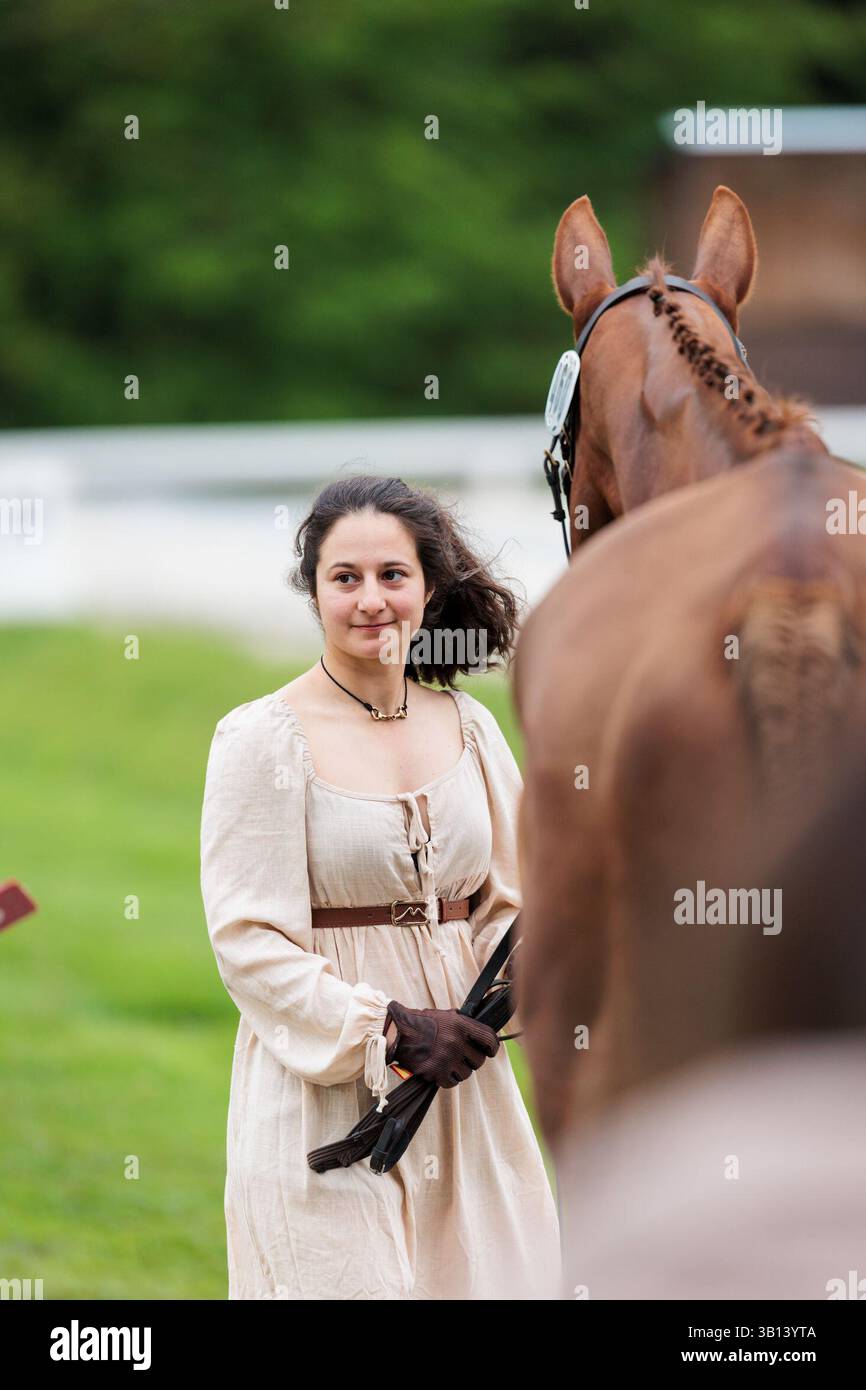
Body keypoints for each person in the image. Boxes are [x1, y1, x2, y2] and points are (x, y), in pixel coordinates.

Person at [199, 474, 561, 1300]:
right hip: (322, 1088)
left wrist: (502, 1008)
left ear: (428, 589)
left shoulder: (470, 728)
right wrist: (390, 1030)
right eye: (345, 578)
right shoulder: (262, 739)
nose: (370, 600)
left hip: (464, 1088)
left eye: (392, 576)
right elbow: (248, 942)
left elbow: (513, 908)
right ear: (315, 591)